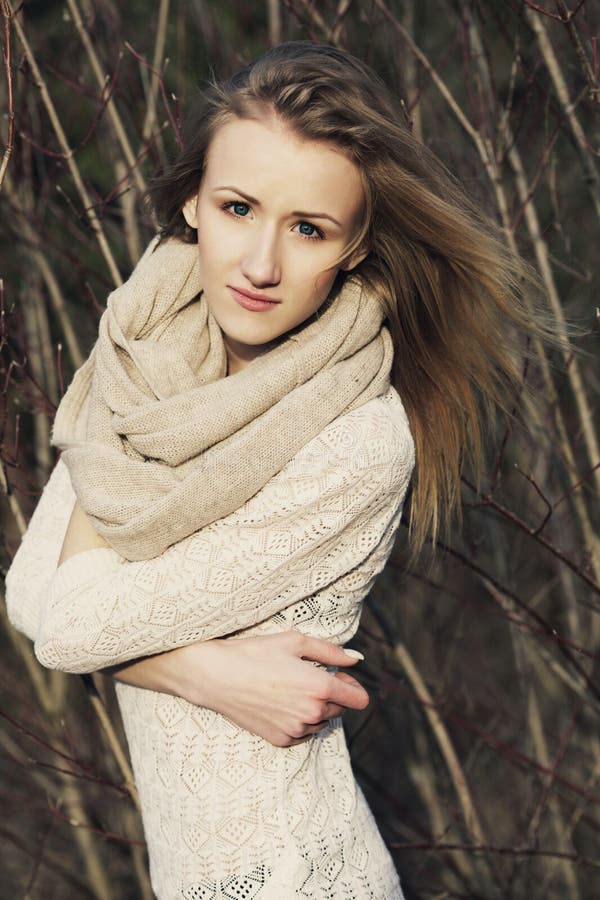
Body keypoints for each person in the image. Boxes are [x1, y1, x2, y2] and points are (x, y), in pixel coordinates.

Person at [5, 41, 546, 900]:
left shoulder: (358, 439)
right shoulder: (147, 361)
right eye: (238, 208)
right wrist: (205, 669)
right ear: (191, 203)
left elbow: (71, 627)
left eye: (307, 229)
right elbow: (32, 600)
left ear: (357, 244)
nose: (261, 265)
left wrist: (126, 645)